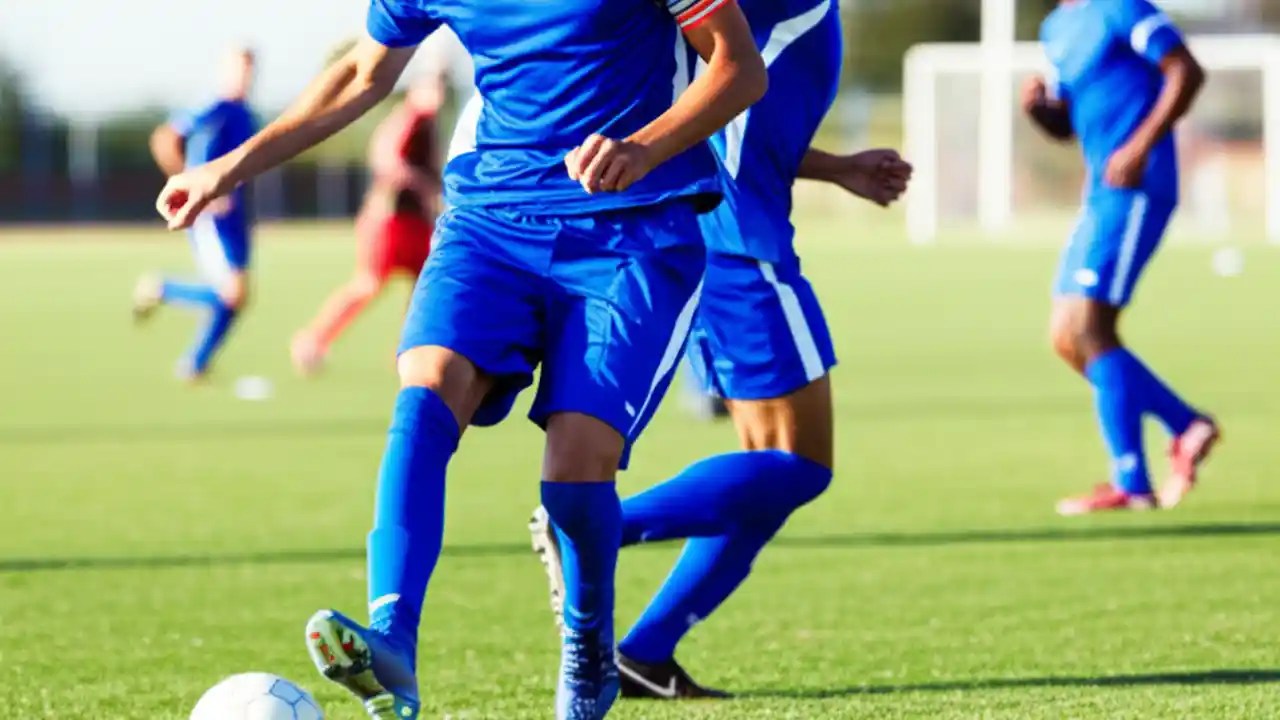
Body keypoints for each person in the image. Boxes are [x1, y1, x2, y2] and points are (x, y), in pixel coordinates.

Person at [153, 0, 766, 718]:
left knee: (575, 471)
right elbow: (360, 71)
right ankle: (391, 641)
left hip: (634, 227)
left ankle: (589, 648)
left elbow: (738, 68)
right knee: (426, 386)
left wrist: (643, 147)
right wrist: (230, 167)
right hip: (491, 222)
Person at [528, 0, 911, 698]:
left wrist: (836, 168)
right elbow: (725, 90)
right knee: (797, 466)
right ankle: (588, 527)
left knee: (765, 478)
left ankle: (645, 653)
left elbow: (738, 122)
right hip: (744, 253)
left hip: (720, 236)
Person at [1024, 0, 1219, 515]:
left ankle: (1139, 474)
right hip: (1101, 192)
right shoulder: (1056, 27)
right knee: (1067, 337)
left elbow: (1186, 70)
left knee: (1089, 329)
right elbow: (1069, 124)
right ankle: (1176, 434)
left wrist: (1141, 146)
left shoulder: (1118, 6)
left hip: (1136, 185)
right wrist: (1043, 114)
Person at [291, 75, 445, 375]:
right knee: (368, 284)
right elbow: (388, 162)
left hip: (416, 222)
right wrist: (426, 188)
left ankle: (410, 347)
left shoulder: (428, 125)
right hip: (389, 221)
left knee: (425, 285)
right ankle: (312, 340)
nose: (437, 95)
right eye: (433, 87)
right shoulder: (407, 120)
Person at [134, 48, 258, 381]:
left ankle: (196, 363)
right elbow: (165, 138)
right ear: (223, 71)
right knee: (232, 292)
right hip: (211, 214)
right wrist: (189, 183)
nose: (244, 77)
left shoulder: (246, 113)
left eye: (249, 70)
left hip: (236, 216)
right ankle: (161, 289)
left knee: (238, 295)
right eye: (238, 69)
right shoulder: (213, 107)